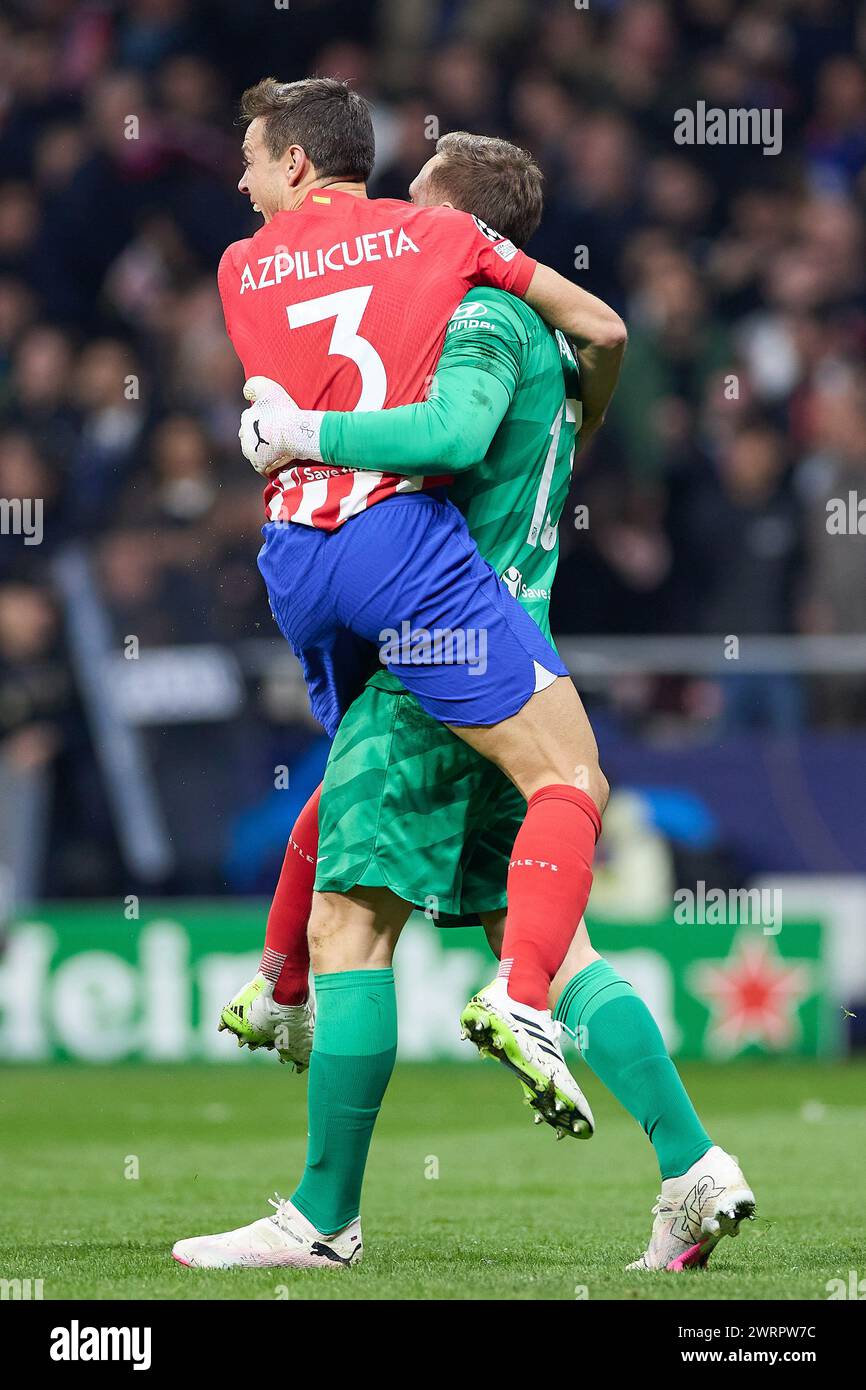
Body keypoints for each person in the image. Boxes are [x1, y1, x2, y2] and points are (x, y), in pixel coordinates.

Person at [172, 131, 754, 1275]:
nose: (390, 224)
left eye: (413, 210)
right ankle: (690, 1166)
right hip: (504, 637)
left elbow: (446, 435)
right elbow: (596, 362)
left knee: (352, 923)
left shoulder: (478, 322)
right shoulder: (557, 339)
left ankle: (320, 1216)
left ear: (458, 225)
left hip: (434, 646)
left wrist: (303, 433)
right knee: (552, 931)